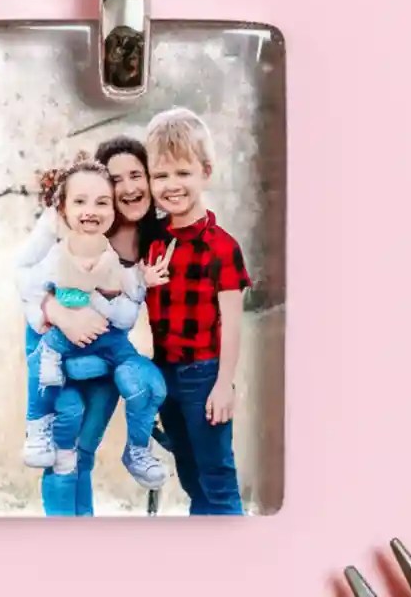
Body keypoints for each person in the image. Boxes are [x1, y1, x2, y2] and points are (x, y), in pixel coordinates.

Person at [23, 136, 166, 516]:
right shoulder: (65, 220)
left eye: (137, 176)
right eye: (115, 180)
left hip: (104, 347)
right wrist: (59, 313)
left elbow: (132, 308)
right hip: (57, 339)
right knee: (60, 444)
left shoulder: (156, 236)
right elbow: (21, 274)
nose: (128, 188)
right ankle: (61, 537)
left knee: (84, 449)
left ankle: (83, 529)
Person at [141, 107, 250, 515]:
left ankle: (231, 554)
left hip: (204, 374)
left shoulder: (221, 247)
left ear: (205, 171)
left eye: (182, 173)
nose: (171, 185)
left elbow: (233, 323)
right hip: (164, 372)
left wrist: (225, 384)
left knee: (217, 475)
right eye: (161, 175)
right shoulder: (153, 241)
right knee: (189, 474)